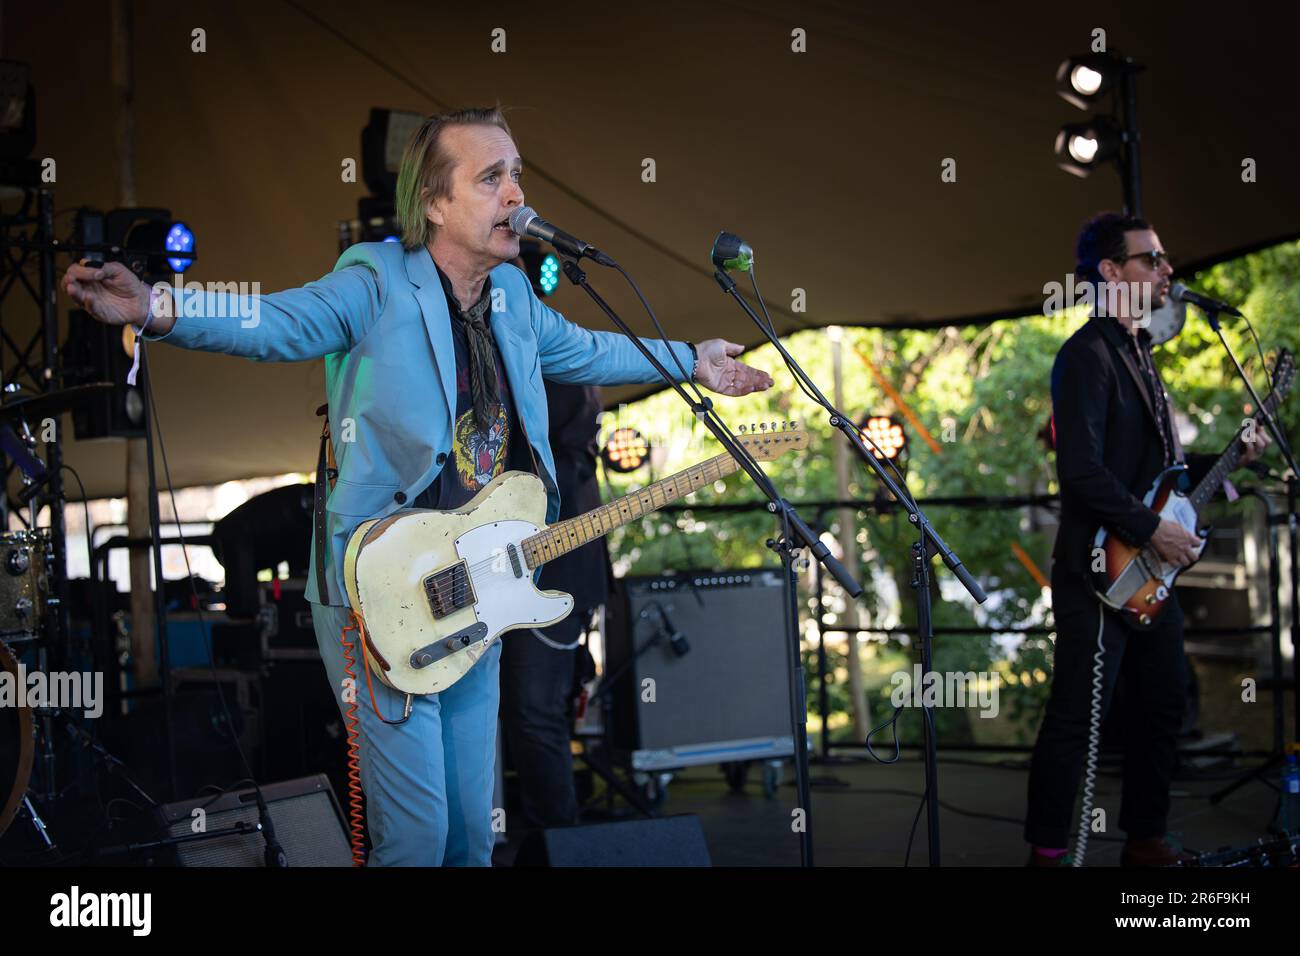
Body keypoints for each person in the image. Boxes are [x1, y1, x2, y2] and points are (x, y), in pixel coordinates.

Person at [62, 106, 772, 866]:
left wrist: (690, 360)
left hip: (477, 586)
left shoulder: (514, 297)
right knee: (417, 839)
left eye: (518, 174)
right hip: (380, 593)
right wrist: (157, 305)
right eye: (492, 178)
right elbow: (273, 321)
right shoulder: (375, 280)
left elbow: (593, 350)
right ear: (434, 203)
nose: (515, 195)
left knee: (472, 836)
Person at [1025, 212, 1270, 867]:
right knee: (1077, 715)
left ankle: (1145, 839)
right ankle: (1048, 853)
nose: (1167, 270)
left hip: (1148, 572)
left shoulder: (1142, 357)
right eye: (1150, 259)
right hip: (1097, 568)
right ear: (1111, 273)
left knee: (1164, 704)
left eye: (1164, 259)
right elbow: (1080, 471)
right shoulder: (1086, 355)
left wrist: (1232, 456)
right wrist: (1150, 528)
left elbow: (1156, 475)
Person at [499, 381, 607, 834]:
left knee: (534, 711)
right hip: (511, 567)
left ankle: (557, 844)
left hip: (553, 571)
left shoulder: (550, 365)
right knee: (525, 713)